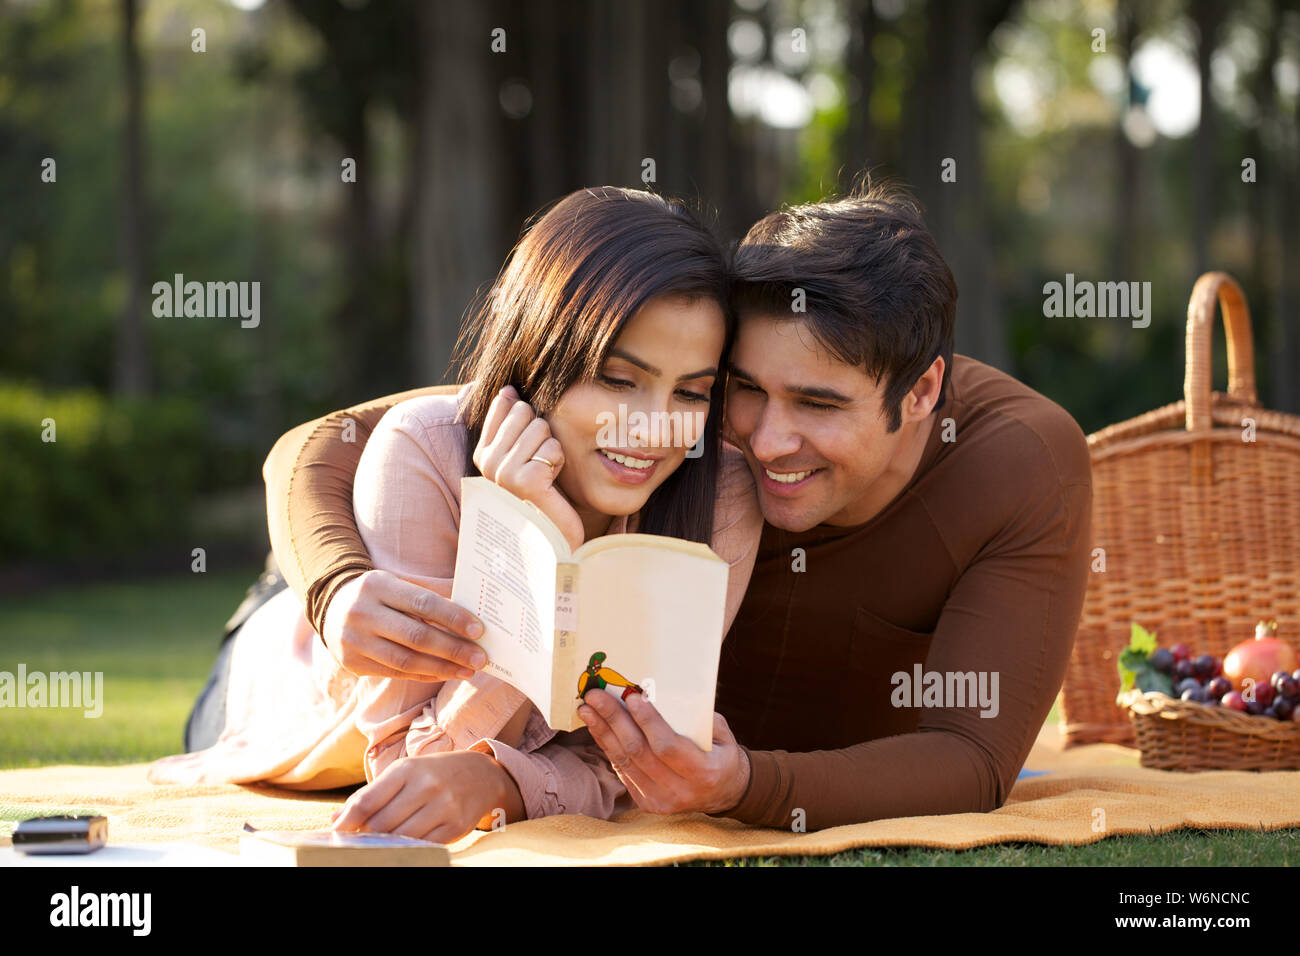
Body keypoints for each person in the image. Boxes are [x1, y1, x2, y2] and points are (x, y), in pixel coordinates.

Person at [261, 179, 1095, 833]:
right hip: (303, 665)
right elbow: (337, 441)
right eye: (741, 391)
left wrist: (746, 785)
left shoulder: (1014, 460)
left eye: (818, 405)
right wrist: (335, 586)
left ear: (921, 394)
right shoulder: (673, 423)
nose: (765, 442)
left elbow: (975, 758)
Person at [150, 186, 763, 844]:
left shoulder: (720, 496)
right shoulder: (424, 452)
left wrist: (505, 785)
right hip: (282, 687)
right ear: (540, 351)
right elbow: (405, 764)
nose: (650, 429)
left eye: (691, 392)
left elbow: (641, 760)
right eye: (617, 380)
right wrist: (532, 548)